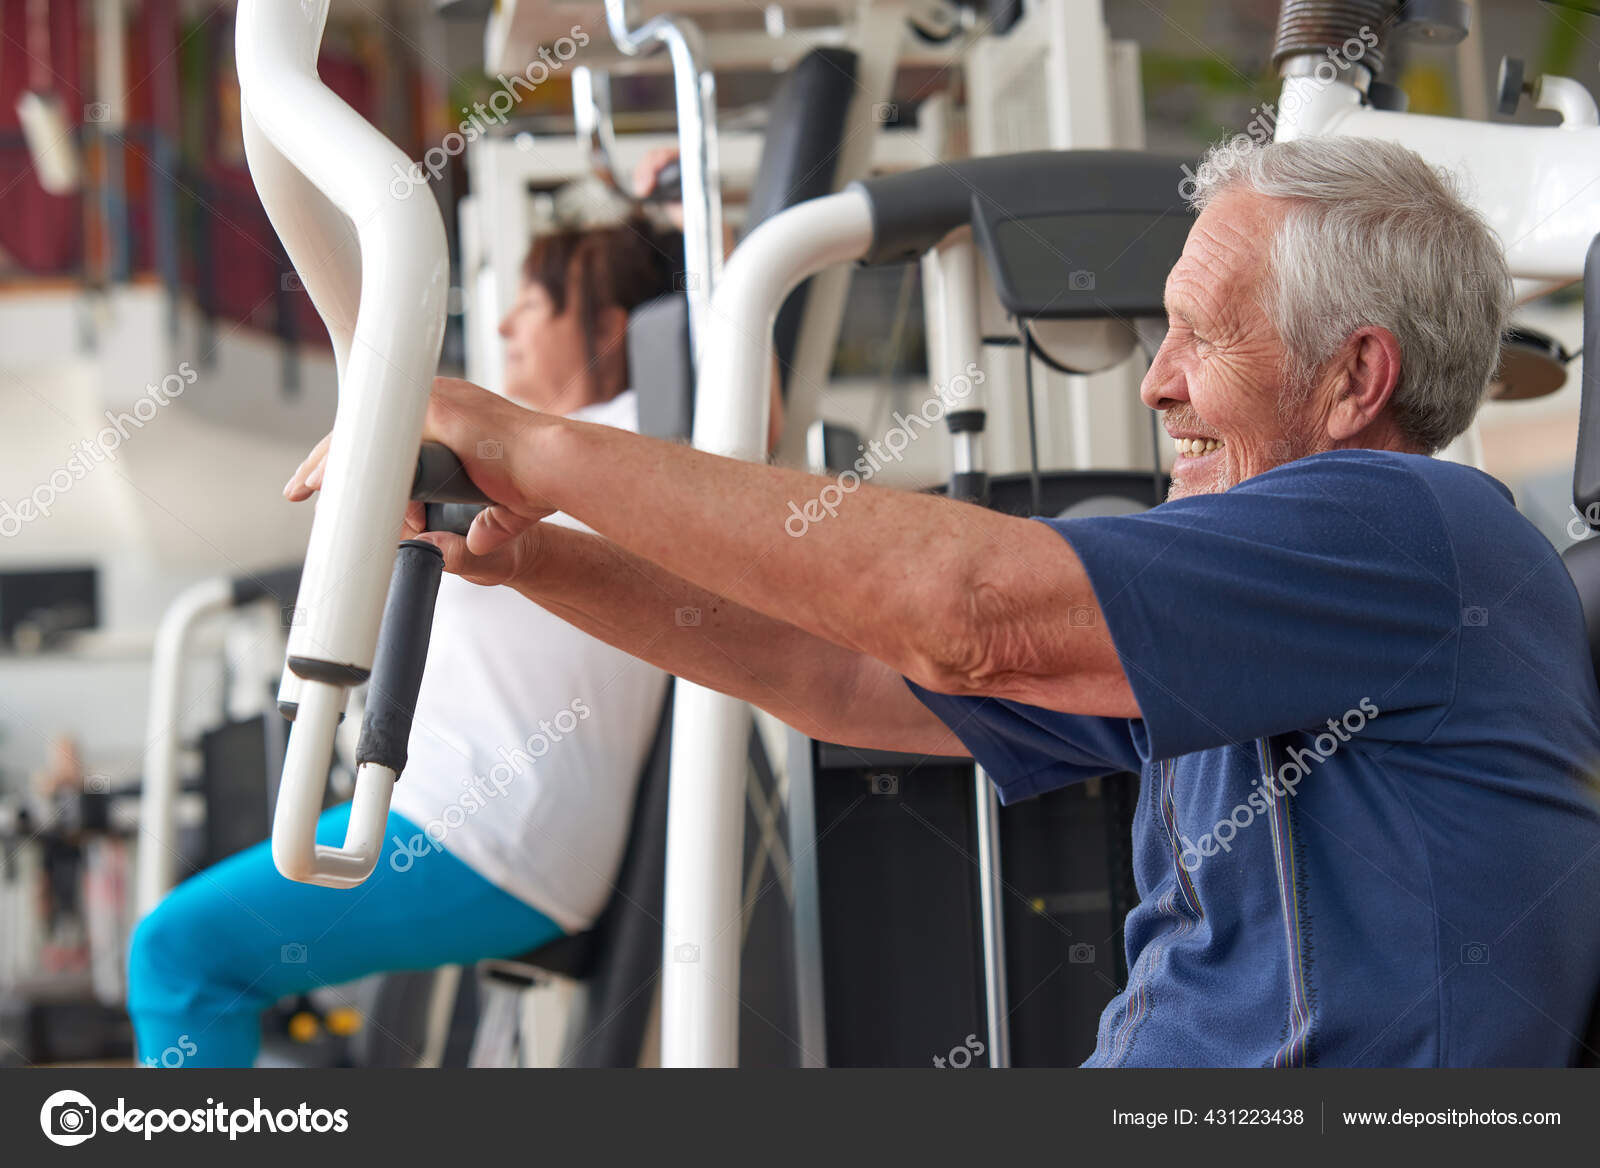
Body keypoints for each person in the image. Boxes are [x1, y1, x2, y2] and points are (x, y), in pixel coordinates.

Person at [289, 137, 1600, 1067]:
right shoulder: (1283, 586)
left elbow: (966, 612)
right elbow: (845, 678)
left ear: (1354, 377)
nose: (1156, 383)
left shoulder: (1406, 530)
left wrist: (536, 445)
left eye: (1203, 335)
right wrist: (537, 556)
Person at [126, 213, 682, 1067]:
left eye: (532, 304)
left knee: (180, 957)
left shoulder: (634, 437)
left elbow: (739, 377)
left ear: (607, 327)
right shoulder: (542, 455)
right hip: (458, 818)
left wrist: (673, 222)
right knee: (189, 947)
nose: (502, 325)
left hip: (492, 833)